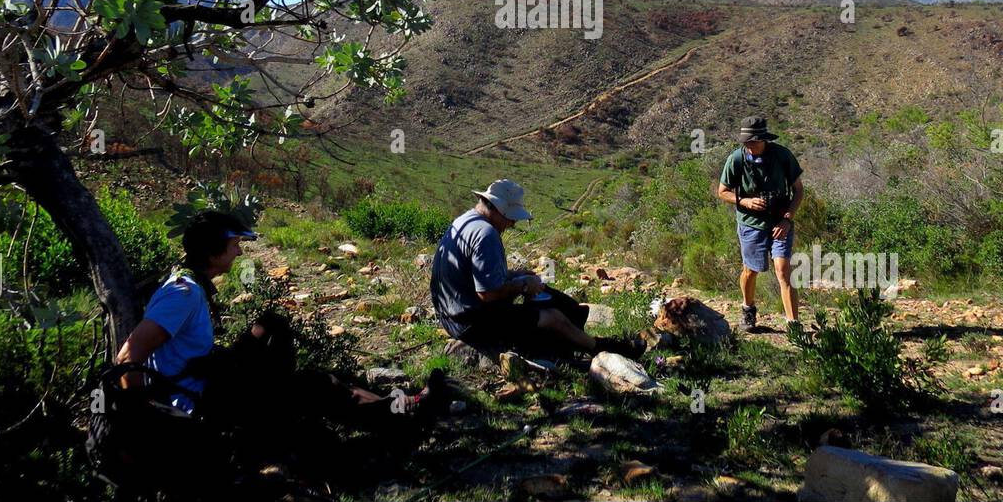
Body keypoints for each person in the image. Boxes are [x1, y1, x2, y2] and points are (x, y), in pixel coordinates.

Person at [116, 210, 445, 429]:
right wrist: (144, 418)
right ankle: (404, 414)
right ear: (214, 253)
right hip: (198, 402)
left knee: (282, 338)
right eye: (234, 245)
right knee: (315, 387)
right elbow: (130, 356)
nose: (239, 253)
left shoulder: (189, 285)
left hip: (204, 384)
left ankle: (395, 405)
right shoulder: (183, 293)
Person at [431, 179, 644, 360]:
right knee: (551, 316)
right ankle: (599, 348)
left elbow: (477, 275)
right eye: (511, 217)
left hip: (451, 315)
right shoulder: (486, 234)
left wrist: (515, 275)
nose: (513, 223)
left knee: (544, 297)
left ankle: (580, 340)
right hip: (469, 322)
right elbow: (488, 293)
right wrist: (523, 285)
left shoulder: (465, 221)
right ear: (498, 209)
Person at [716, 116, 805, 331]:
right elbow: (722, 192)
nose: (749, 145)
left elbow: (799, 189)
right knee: (751, 270)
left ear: (764, 140)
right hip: (750, 223)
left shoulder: (782, 155)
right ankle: (748, 309)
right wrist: (745, 201)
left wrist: (787, 218)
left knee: (783, 270)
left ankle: (794, 326)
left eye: (753, 141)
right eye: (746, 142)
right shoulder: (736, 159)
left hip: (780, 221)